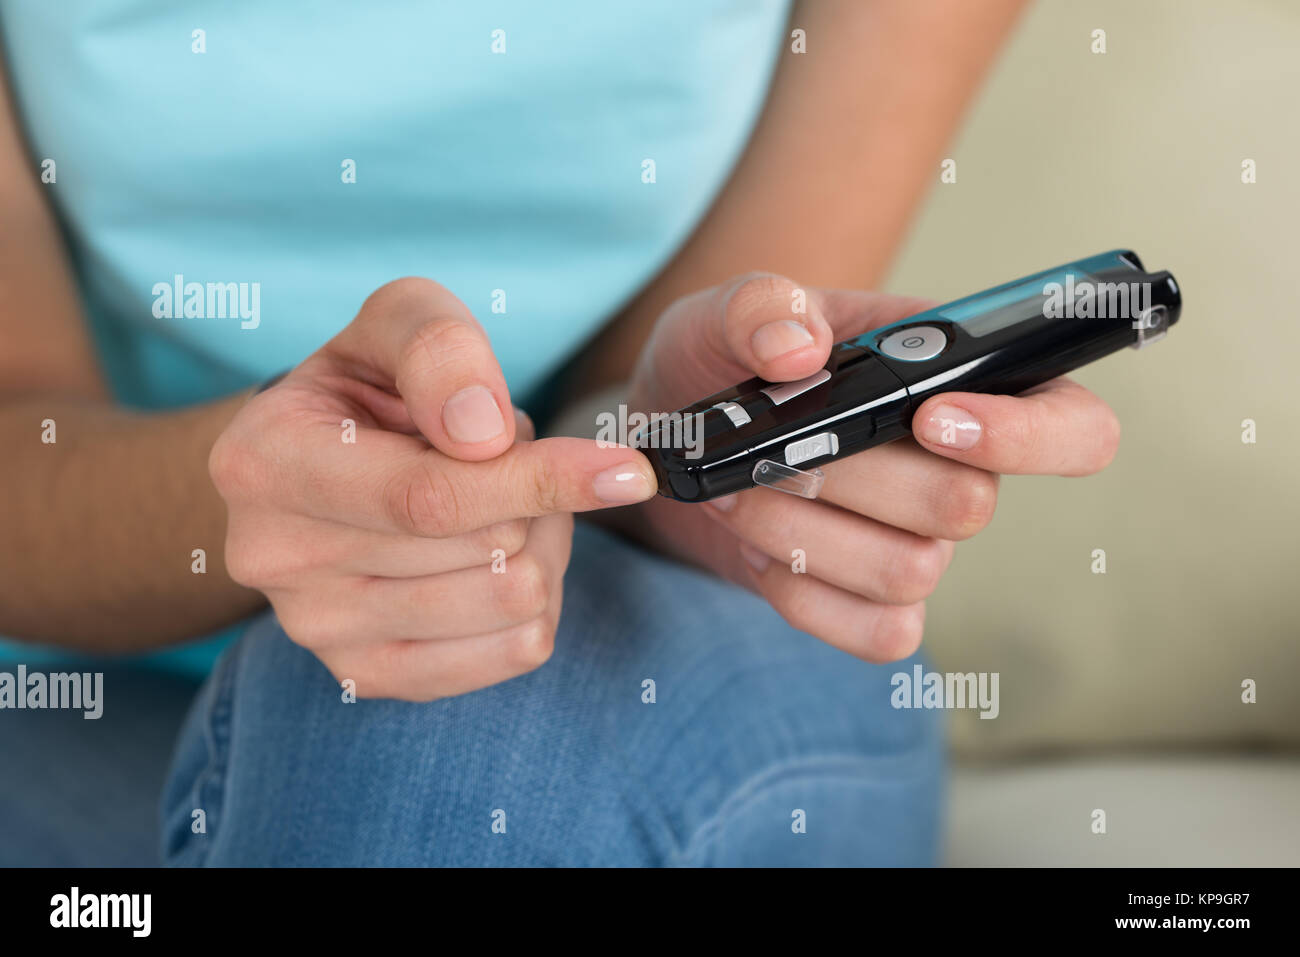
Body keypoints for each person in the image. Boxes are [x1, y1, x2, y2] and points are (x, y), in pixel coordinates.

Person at [0, 0, 1115, 866]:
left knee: (424, 731)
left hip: (671, 645)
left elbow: (669, 414)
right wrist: (269, 500)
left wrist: (666, 458)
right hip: (88, 676)